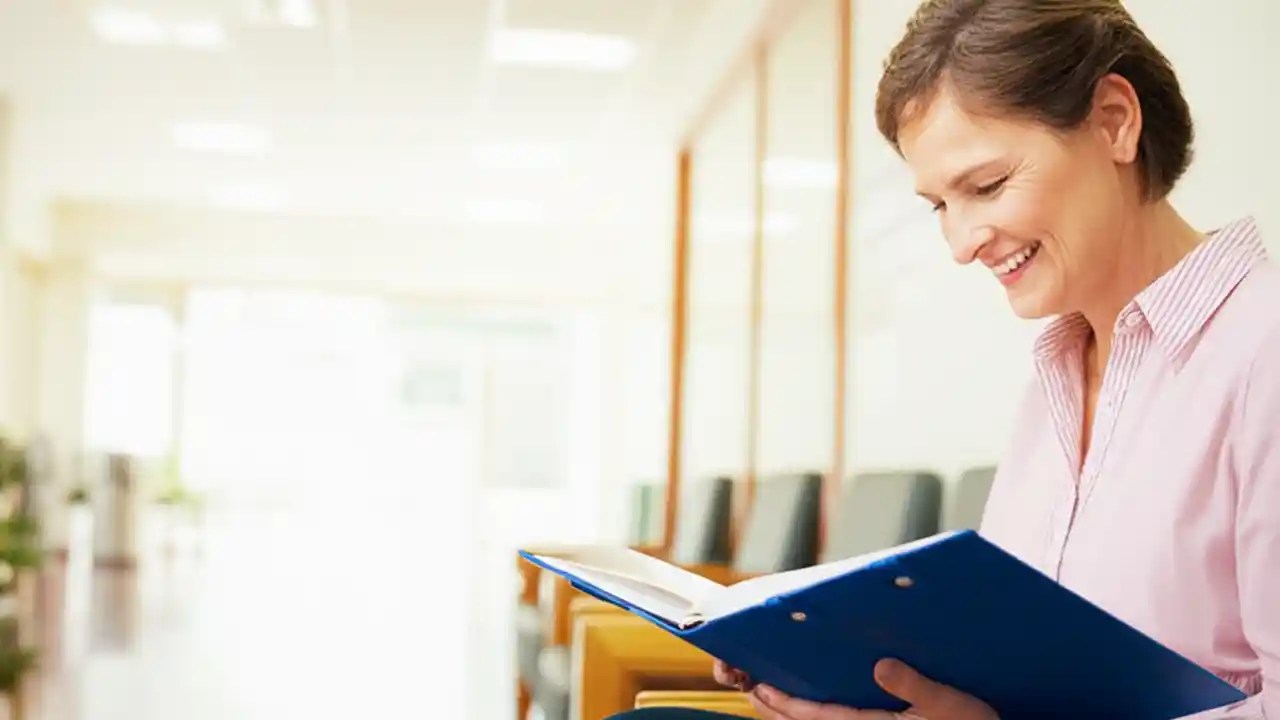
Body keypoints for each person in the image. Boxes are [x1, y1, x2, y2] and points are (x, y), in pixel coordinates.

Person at [609, 0, 1278, 718]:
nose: (961, 244)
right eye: (939, 205)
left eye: (986, 187)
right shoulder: (1059, 371)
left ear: (1114, 121)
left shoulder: (1260, 351)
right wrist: (829, 657)